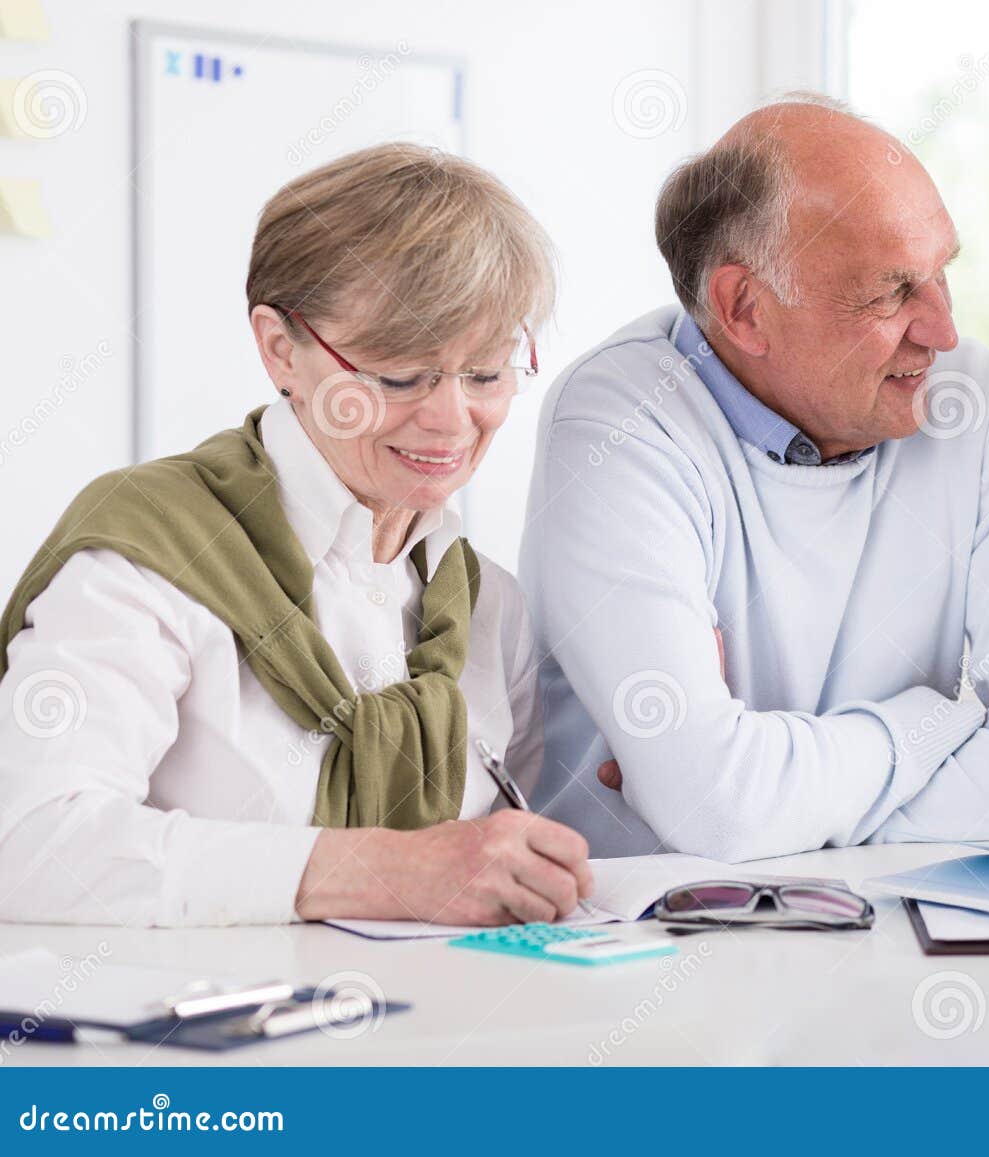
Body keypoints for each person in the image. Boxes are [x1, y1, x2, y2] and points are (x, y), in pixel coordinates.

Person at [521, 95, 989, 862]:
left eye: (943, 273)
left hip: (885, 926)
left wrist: (773, 805)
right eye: (889, 292)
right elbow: (720, 810)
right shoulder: (620, 417)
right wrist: (939, 719)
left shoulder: (964, 400)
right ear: (743, 308)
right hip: (647, 938)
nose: (942, 331)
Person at [0, 143, 592, 926]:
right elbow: (31, 845)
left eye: (486, 373)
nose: (452, 419)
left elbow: (509, 852)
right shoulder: (149, 556)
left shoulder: (487, 606)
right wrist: (382, 871)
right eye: (399, 375)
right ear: (282, 348)